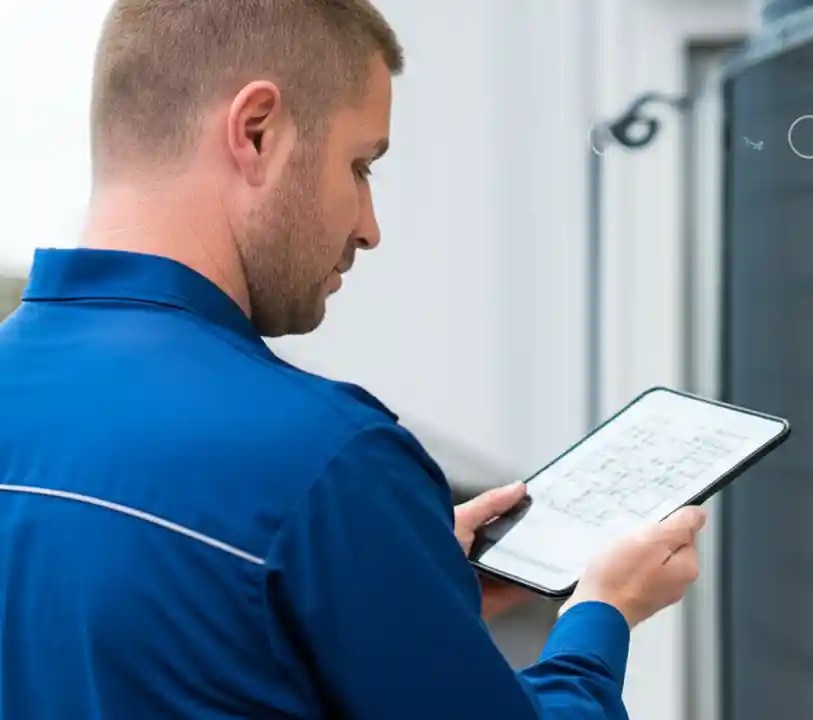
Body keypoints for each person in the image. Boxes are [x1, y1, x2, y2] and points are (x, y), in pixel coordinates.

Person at [0, 1, 708, 718]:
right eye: (360, 165)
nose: (369, 228)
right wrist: (601, 616)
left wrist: (399, 566)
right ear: (257, 132)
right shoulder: (324, 463)